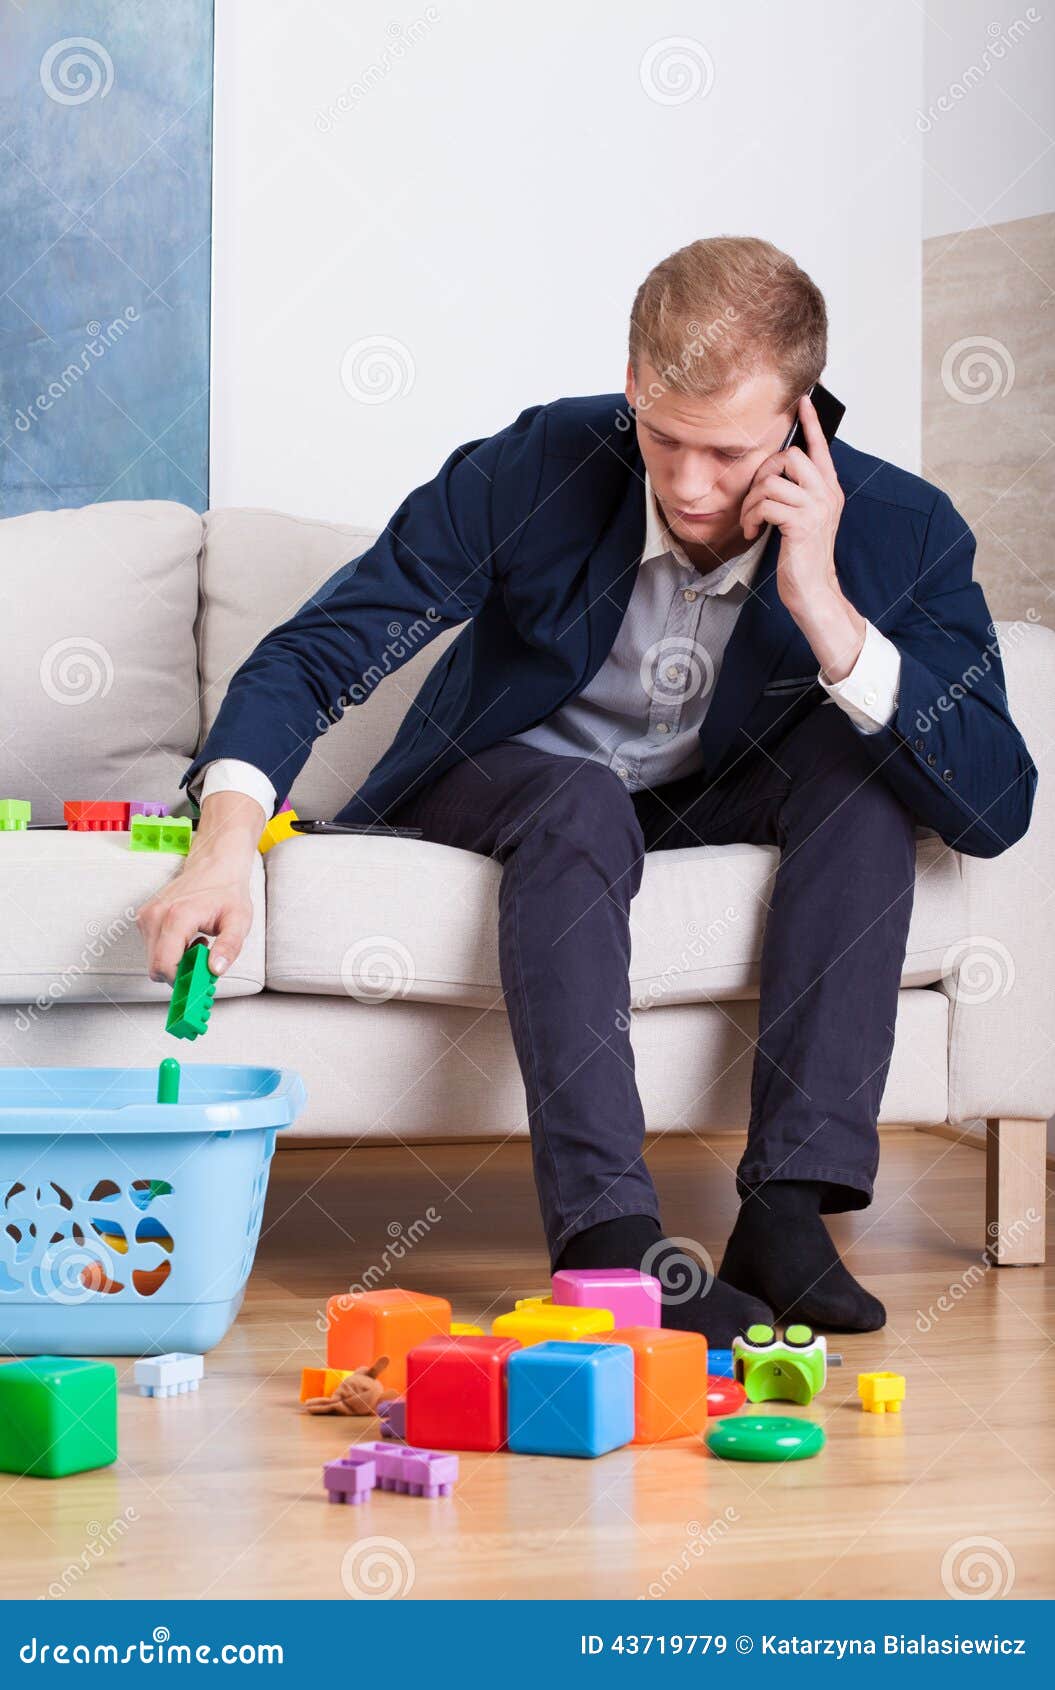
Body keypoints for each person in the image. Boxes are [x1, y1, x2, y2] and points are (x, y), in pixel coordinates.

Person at [136, 236, 1036, 1344]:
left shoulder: (902, 529)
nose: (689, 485)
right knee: (580, 799)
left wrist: (827, 614)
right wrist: (222, 843)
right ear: (631, 386)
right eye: (663, 438)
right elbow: (316, 652)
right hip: (505, 785)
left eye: (728, 453)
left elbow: (992, 809)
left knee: (863, 779)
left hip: (705, 799)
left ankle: (787, 1218)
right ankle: (609, 1241)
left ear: (802, 423)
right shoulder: (539, 464)